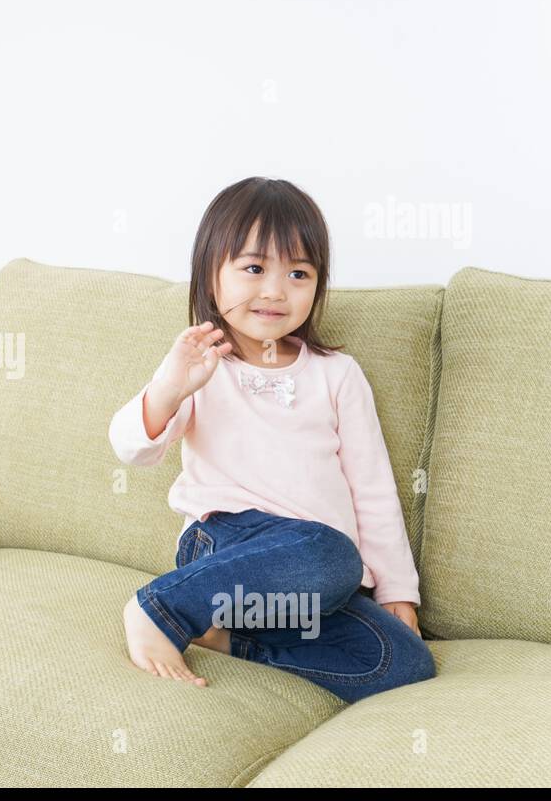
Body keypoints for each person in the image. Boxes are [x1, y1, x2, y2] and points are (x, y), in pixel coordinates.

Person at [109, 176, 436, 705]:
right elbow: (132, 447)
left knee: (404, 662)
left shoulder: (338, 374)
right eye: (254, 268)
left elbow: (372, 489)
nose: (275, 290)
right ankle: (161, 608)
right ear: (211, 274)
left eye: (298, 273)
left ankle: (226, 636)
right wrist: (170, 387)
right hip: (227, 549)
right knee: (331, 552)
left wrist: (398, 589)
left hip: (308, 588)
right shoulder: (200, 366)